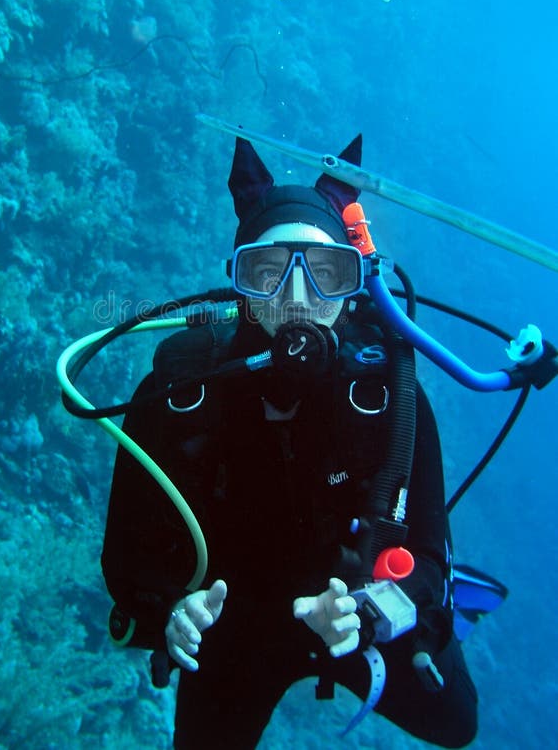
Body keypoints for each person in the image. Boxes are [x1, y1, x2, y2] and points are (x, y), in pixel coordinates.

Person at [101, 135, 478, 749]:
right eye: (269, 273)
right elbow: (124, 558)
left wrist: (374, 612)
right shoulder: (181, 391)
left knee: (457, 722)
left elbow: (429, 562)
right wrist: (170, 614)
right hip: (231, 634)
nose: (298, 299)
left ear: (354, 284)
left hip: (353, 622)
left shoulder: (389, 396)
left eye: (326, 274)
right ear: (239, 281)